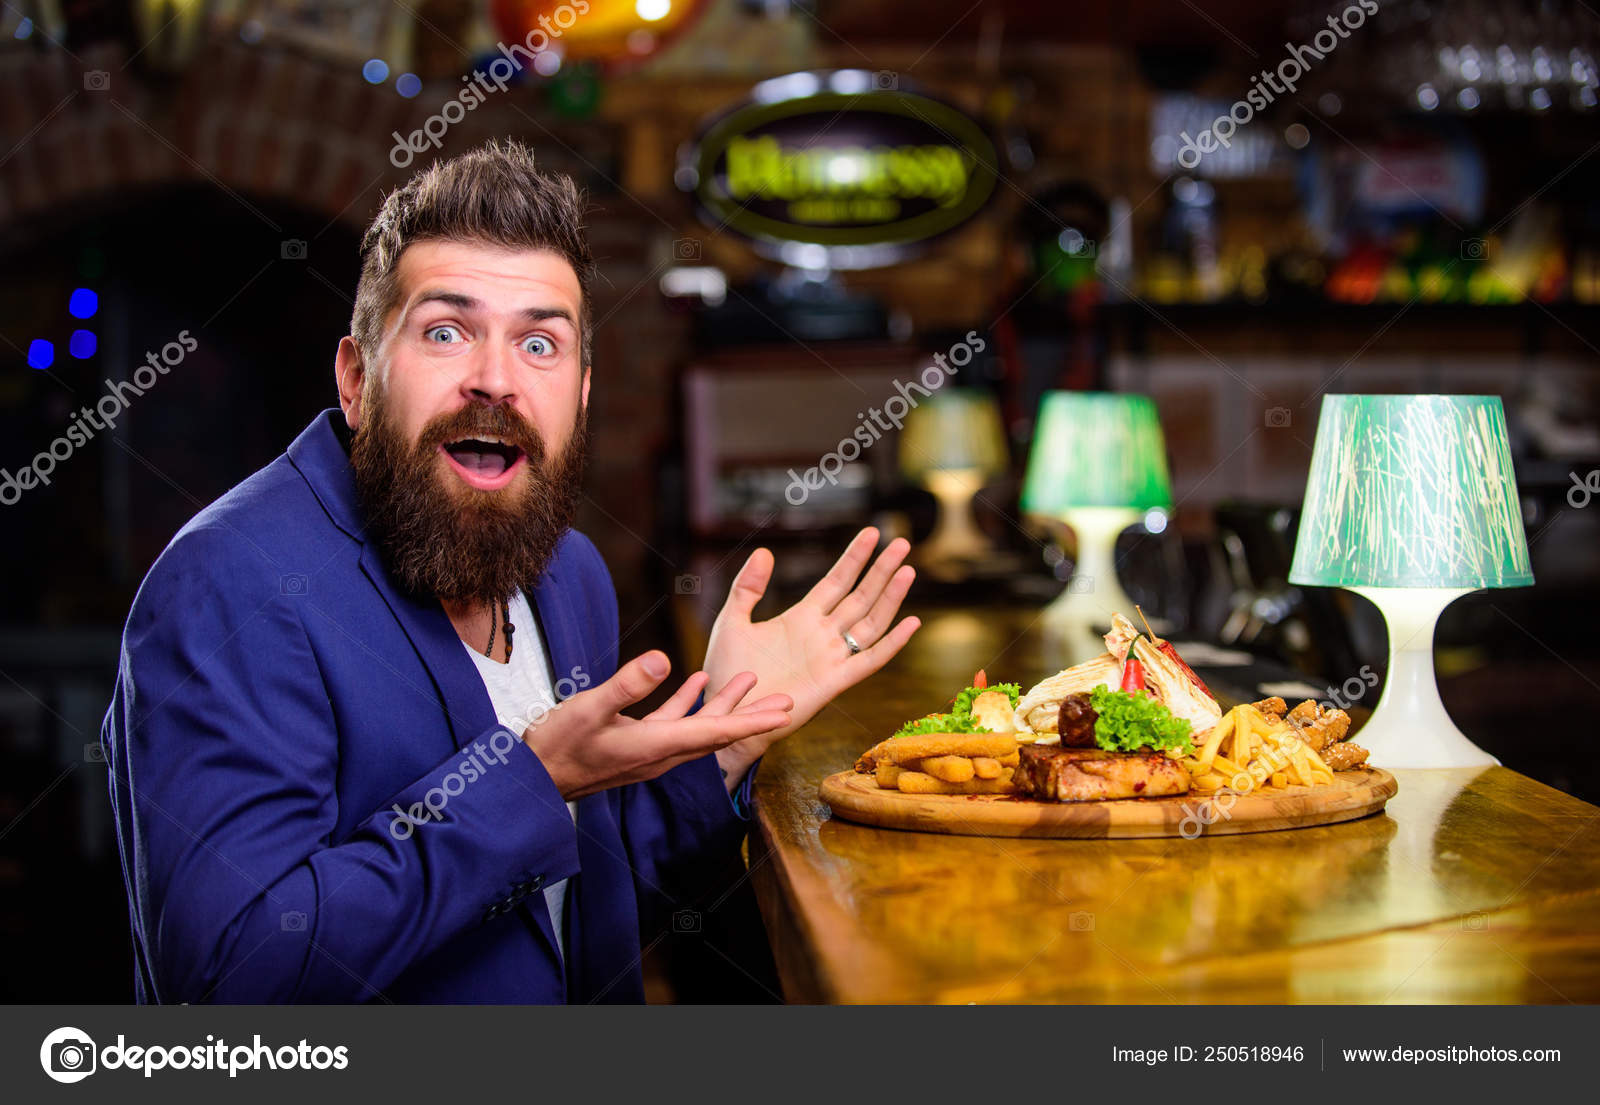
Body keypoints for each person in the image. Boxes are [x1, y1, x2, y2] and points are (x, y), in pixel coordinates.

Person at [100, 140, 919, 1003]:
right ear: (355, 378)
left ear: (583, 393)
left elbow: (569, 901)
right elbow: (229, 978)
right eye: (447, 331)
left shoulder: (569, 574)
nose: (495, 379)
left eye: (539, 343)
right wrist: (531, 777)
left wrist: (729, 731)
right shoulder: (230, 583)